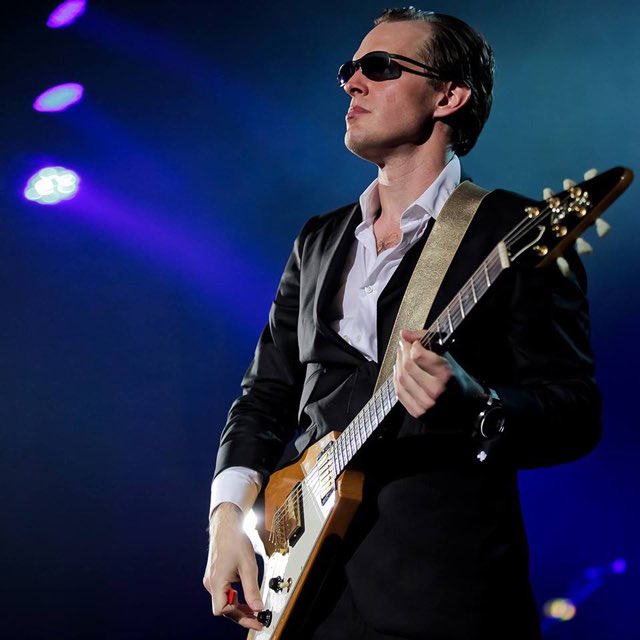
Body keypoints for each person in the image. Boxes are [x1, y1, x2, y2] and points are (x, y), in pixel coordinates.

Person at [203, 7, 602, 639]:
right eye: (350, 69)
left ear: (449, 95)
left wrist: (477, 404)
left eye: (380, 67)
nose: (352, 82)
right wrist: (226, 518)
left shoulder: (514, 231)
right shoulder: (318, 240)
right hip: (307, 597)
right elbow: (265, 394)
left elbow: (576, 412)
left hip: (445, 596)